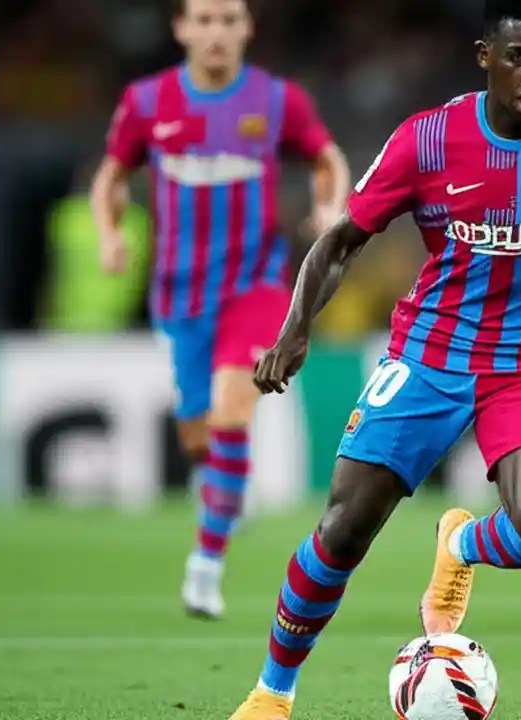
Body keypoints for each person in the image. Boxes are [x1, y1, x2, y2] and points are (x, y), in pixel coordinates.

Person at [229, 0, 521, 717]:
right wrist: (294, 330)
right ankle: (271, 695)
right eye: (519, 57)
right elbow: (341, 239)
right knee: (344, 527)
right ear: (484, 55)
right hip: (433, 351)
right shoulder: (428, 141)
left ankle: (461, 544)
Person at [89, 0, 350, 619]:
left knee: (234, 410)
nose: (216, 33)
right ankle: (226, 490)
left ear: (247, 29)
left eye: (228, 19)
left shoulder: (275, 100)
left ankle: (204, 568)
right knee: (199, 436)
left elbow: (326, 157)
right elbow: (110, 176)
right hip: (181, 295)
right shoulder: (148, 102)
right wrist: (109, 233)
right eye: (203, 20)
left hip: (254, 288)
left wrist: (328, 206)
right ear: (181, 28)